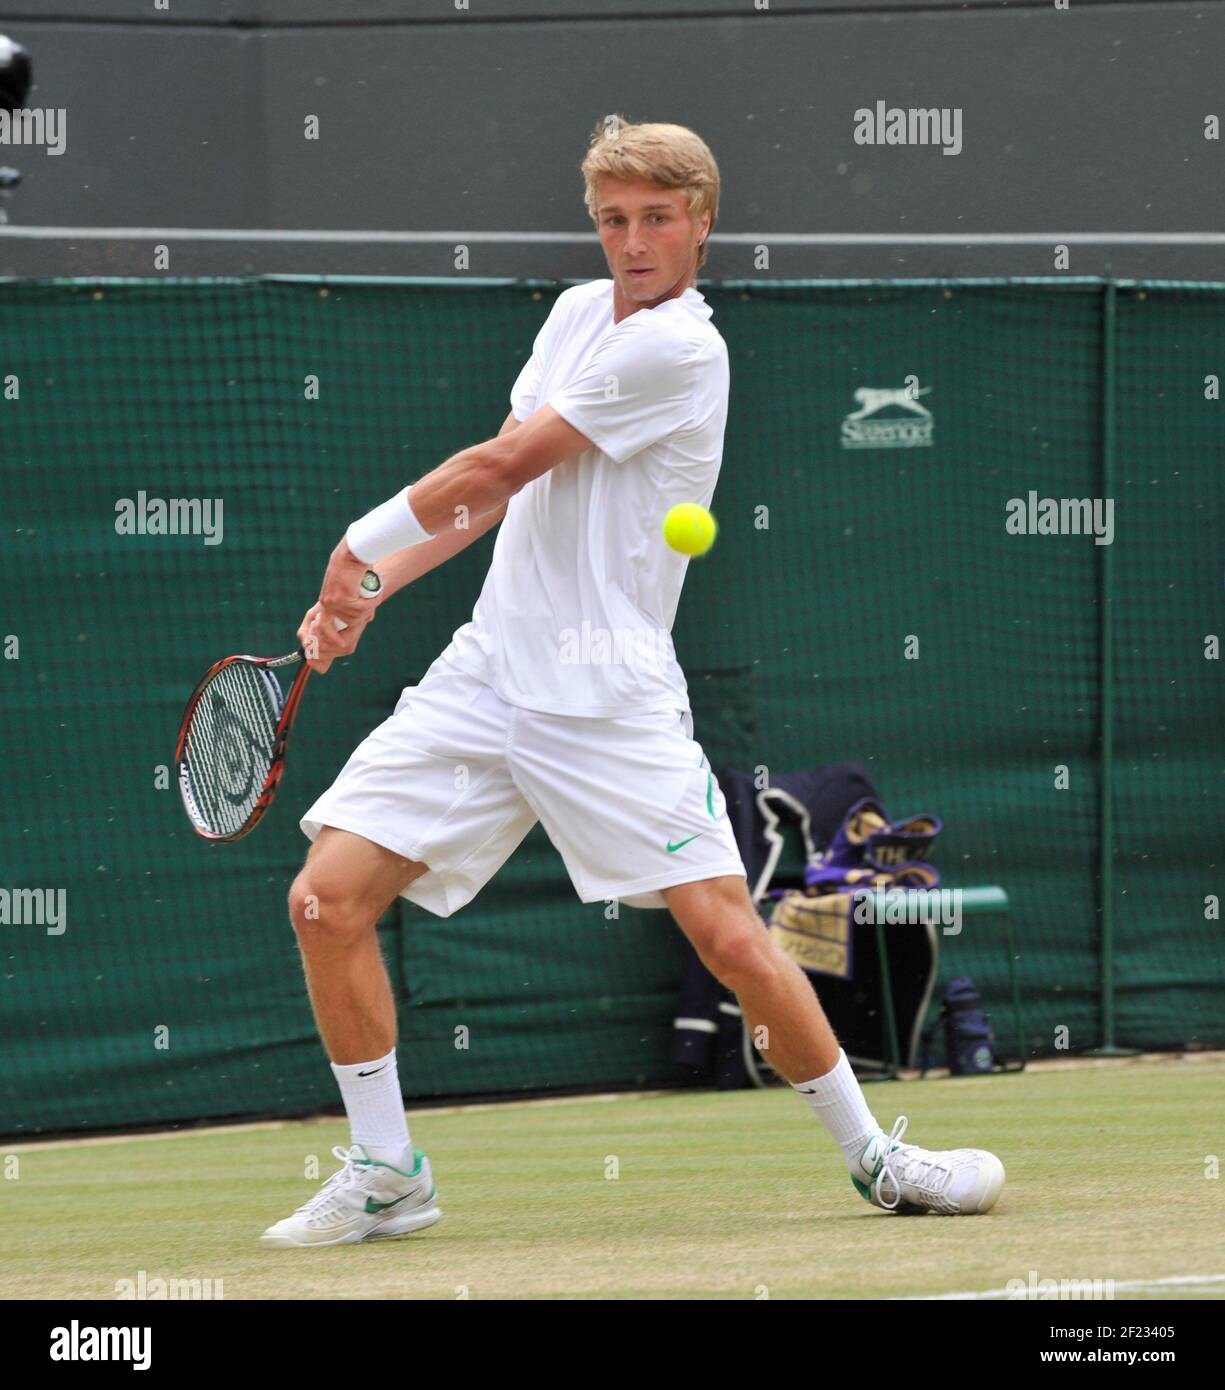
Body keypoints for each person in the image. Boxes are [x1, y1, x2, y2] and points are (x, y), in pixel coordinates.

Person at [261, 115, 1005, 1248]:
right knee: (325, 900)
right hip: (487, 676)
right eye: (613, 218)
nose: (633, 239)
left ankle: (878, 1157)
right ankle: (385, 1168)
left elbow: (505, 461)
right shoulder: (572, 317)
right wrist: (370, 592)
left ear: (703, 223)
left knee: (731, 938)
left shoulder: (682, 350)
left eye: (658, 217)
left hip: (608, 698)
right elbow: (495, 494)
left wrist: (355, 547)